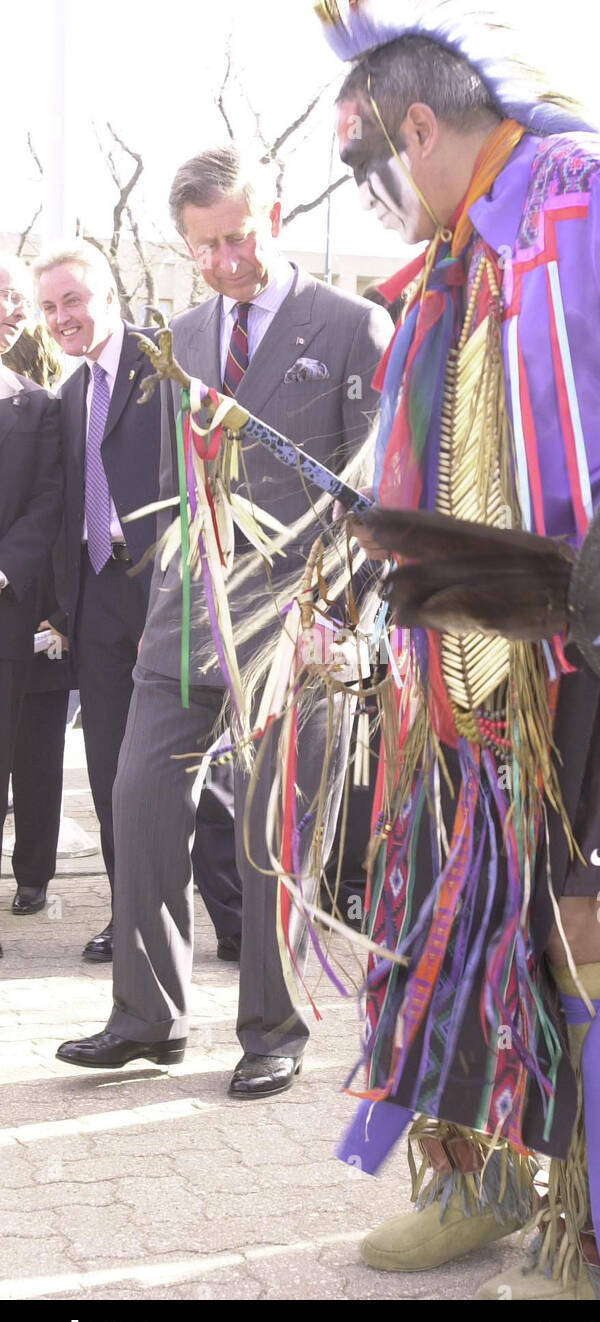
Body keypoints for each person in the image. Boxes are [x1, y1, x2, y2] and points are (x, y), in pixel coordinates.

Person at [310, 1, 600, 1300]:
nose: (367, 198)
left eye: (369, 163)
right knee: (453, 923)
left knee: (590, 933)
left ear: (421, 127)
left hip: (595, 654)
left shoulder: (593, 193)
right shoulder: (453, 260)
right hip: (456, 668)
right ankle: (475, 1178)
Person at [55, 145, 394, 1096]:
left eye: (239, 237)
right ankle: (146, 1018)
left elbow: (375, 496)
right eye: (205, 248)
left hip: (300, 627)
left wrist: (347, 618)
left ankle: (272, 1027)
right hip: (186, 620)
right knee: (137, 800)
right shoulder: (188, 335)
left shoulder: (355, 325)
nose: (227, 263)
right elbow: (175, 485)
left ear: (273, 214)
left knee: (271, 828)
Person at [35, 243, 242, 962]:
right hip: (99, 600)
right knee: (110, 772)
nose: (63, 317)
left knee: (194, 762)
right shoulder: (68, 395)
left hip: (172, 592)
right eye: (51, 307)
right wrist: (65, 606)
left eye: (74, 300)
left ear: (108, 297)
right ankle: (131, 917)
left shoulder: (167, 362)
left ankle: (235, 917)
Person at [0, 255, 63, 949]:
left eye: (19, 298)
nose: (15, 310)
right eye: (5, 297)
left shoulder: (35, 406)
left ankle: (31, 874)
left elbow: (48, 500)